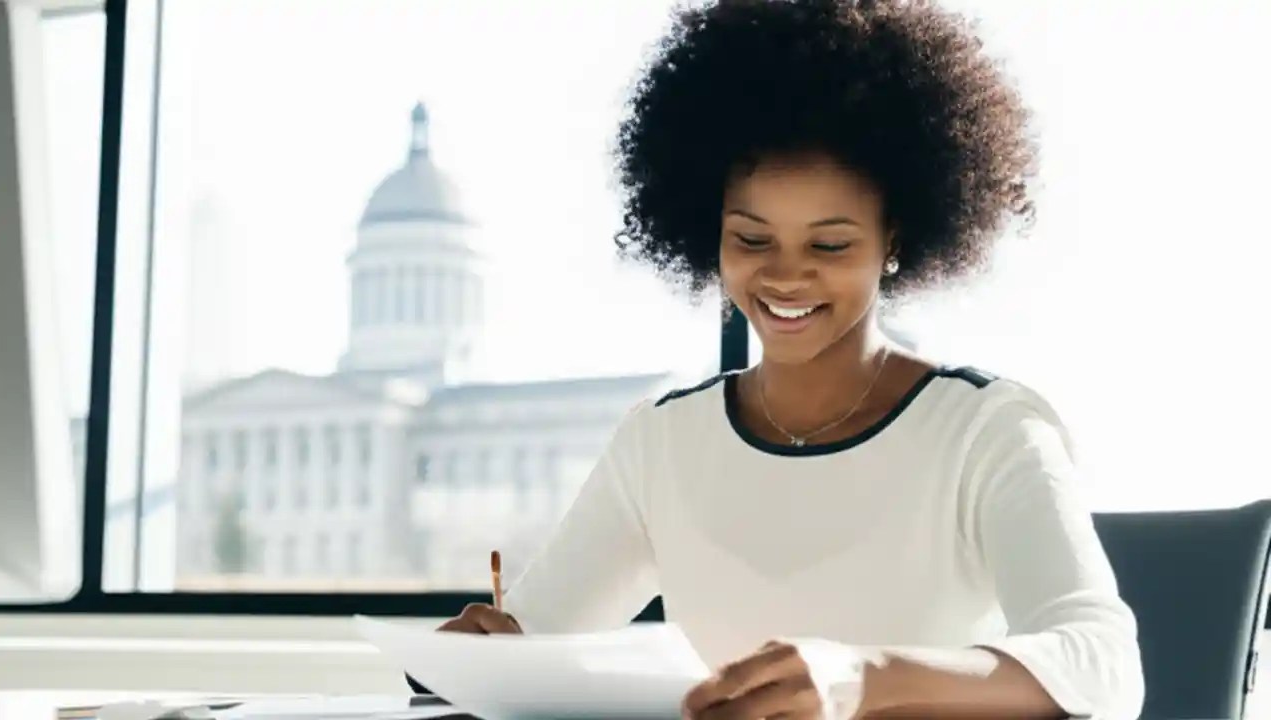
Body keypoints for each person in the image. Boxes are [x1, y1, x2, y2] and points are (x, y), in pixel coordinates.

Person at [437, 0, 1145, 717]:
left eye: (829, 245)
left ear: (894, 240)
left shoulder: (987, 432)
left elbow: (1103, 665)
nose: (784, 276)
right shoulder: (661, 443)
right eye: (751, 240)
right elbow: (533, 643)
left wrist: (861, 677)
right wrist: (479, 655)